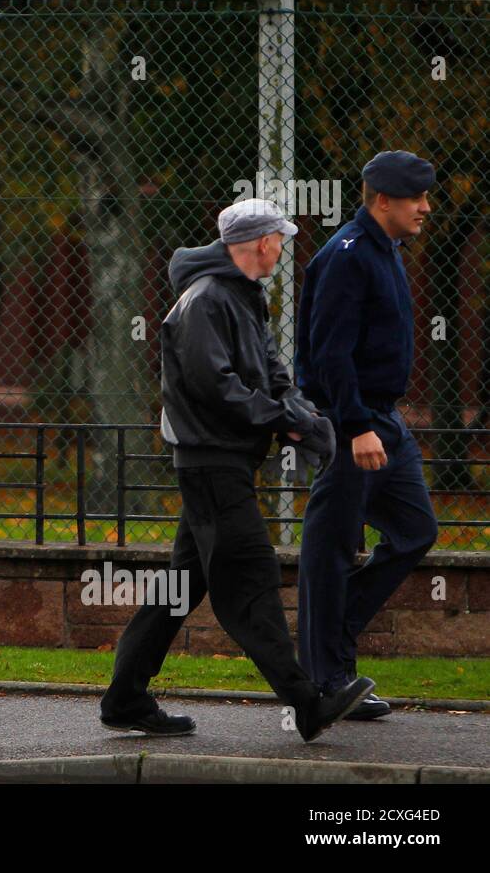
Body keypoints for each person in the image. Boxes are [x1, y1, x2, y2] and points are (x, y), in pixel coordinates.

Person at [100, 199, 373, 742]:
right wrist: (283, 420)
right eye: (279, 237)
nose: (283, 246)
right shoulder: (204, 302)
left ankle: (125, 697)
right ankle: (307, 702)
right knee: (250, 583)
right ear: (259, 241)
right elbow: (217, 388)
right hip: (211, 464)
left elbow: (272, 373)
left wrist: (301, 416)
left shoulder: (242, 299)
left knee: (178, 587)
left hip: (222, 462)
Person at [296, 151, 439, 719]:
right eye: (416, 198)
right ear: (383, 200)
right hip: (351, 421)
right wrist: (353, 426)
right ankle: (326, 681)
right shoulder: (349, 256)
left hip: (385, 419)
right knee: (330, 548)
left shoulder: (385, 251)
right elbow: (329, 351)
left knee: (414, 529)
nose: (426, 207)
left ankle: (335, 640)